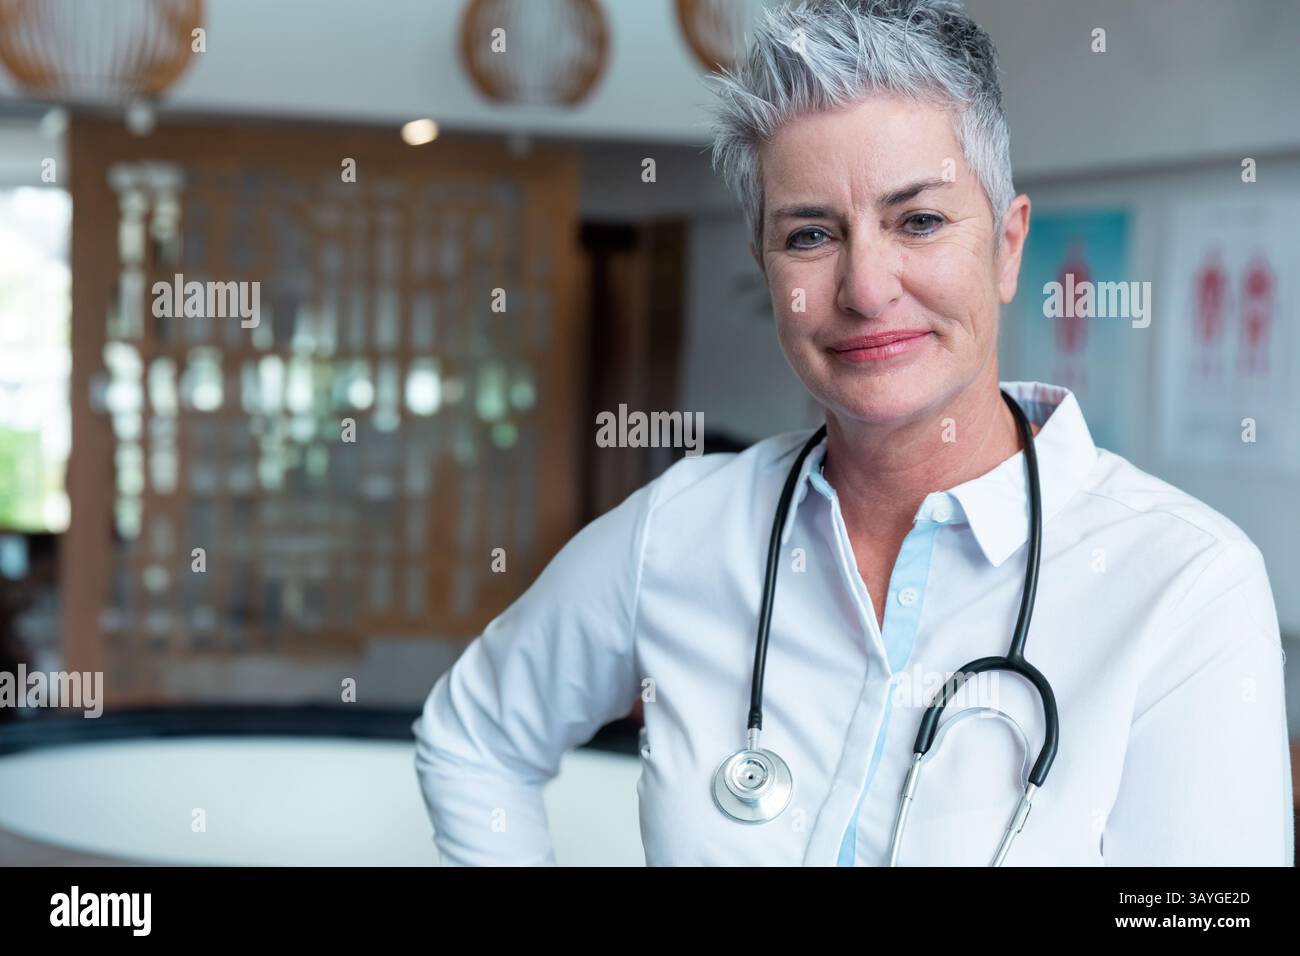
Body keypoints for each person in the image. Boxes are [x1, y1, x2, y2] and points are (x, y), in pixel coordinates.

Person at [412, 0, 1294, 866]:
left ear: (1008, 248)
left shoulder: (1183, 586)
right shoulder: (679, 531)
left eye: (919, 220)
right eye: (809, 235)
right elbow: (473, 737)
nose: (866, 289)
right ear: (765, 267)